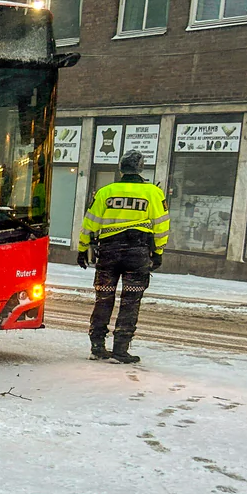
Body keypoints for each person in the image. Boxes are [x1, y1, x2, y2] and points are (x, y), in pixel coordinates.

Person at [78, 151, 169, 364]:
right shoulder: (153, 193)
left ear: (121, 169)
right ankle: (120, 349)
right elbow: (162, 226)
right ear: (141, 168)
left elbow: (89, 223)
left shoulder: (106, 192)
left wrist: (82, 249)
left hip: (108, 253)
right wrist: (158, 252)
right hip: (137, 254)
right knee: (130, 301)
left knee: (103, 299)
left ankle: (97, 346)